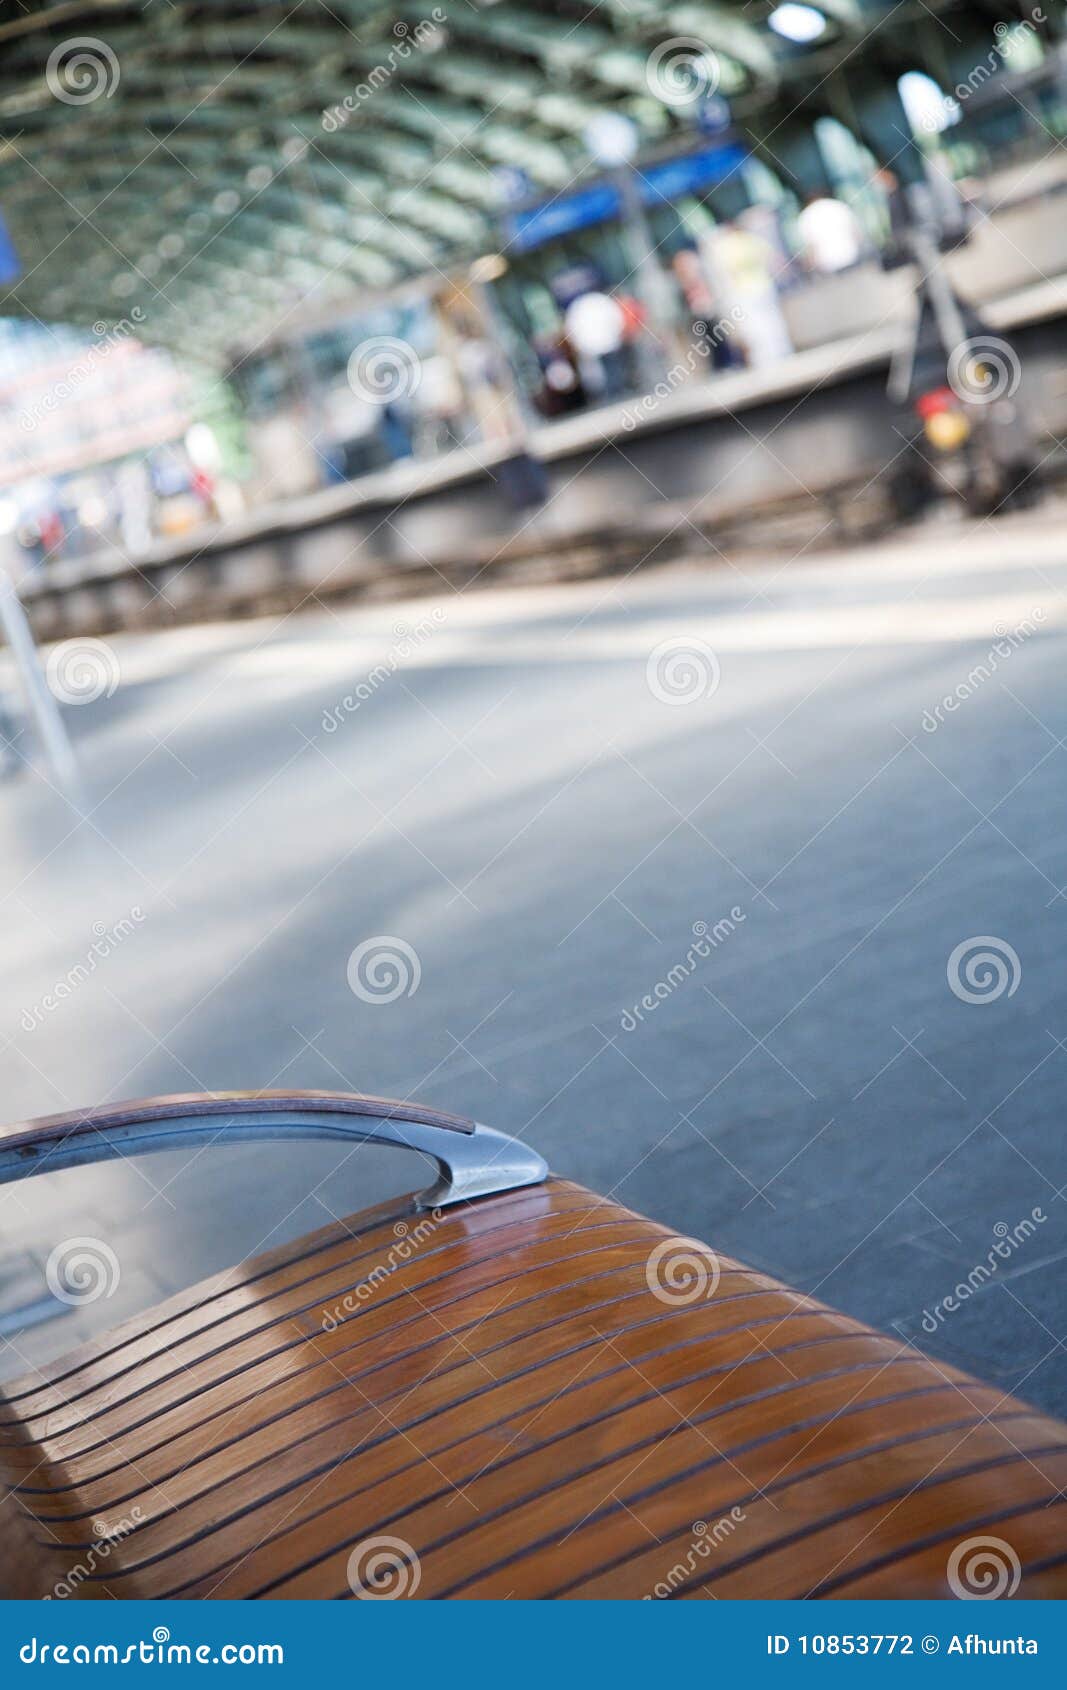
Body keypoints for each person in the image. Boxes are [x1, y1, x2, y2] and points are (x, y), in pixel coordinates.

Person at [563, 288, 628, 400]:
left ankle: (609, 394)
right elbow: (617, 317)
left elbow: (571, 327)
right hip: (606, 343)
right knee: (612, 370)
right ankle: (616, 392)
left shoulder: (578, 306)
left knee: (602, 373)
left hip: (595, 345)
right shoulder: (600, 300)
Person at [796, 191, 865, 274]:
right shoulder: (838, 205)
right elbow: (855, 231)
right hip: (851, 255)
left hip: (828, 263)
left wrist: (812, 266)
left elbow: (810, 246)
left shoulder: (805, 216)